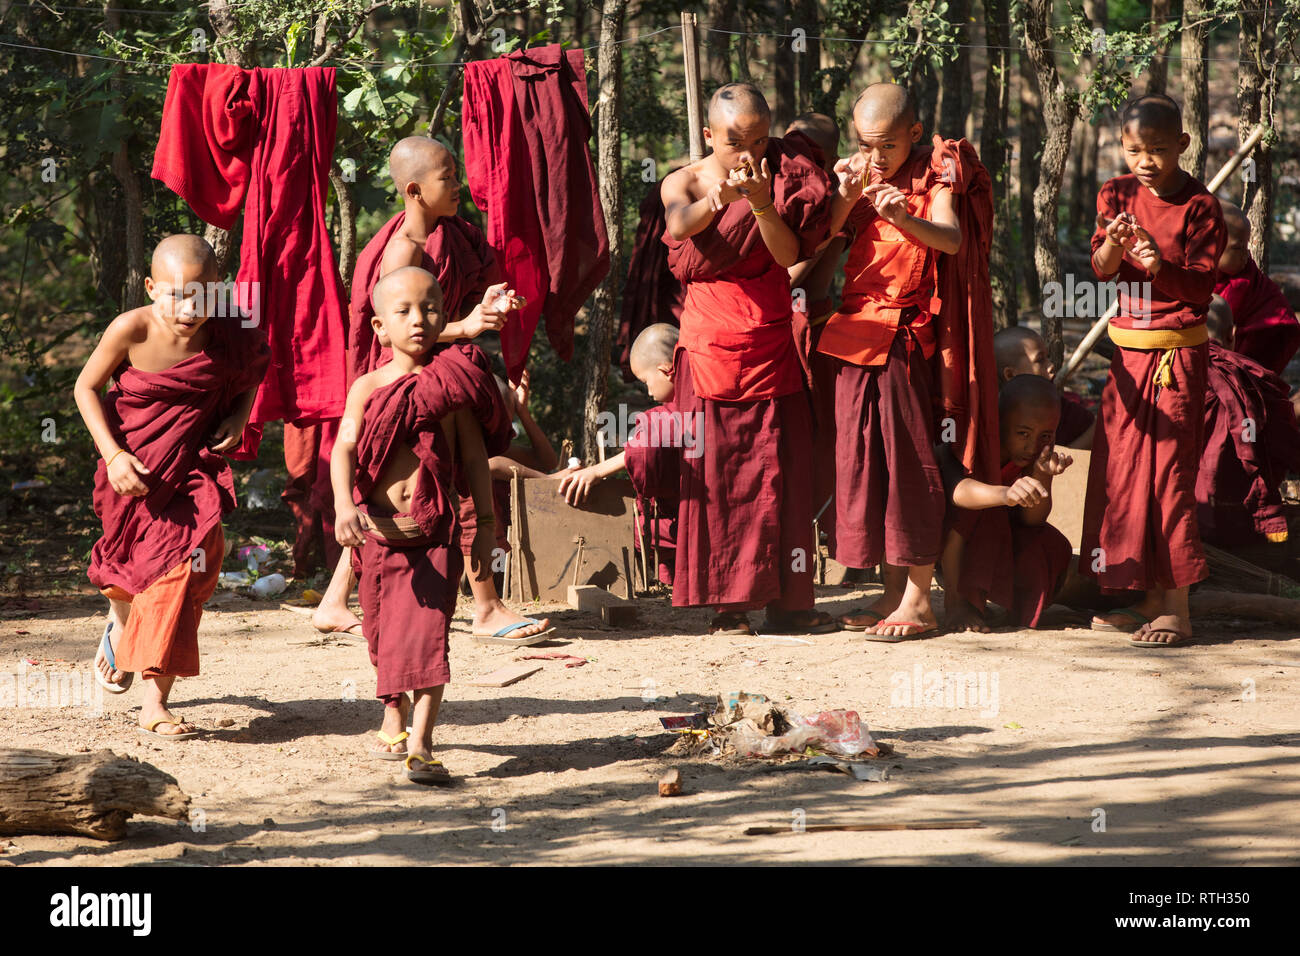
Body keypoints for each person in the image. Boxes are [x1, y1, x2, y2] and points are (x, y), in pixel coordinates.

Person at [313, 136, 553, 648]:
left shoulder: (449, 235)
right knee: (456, 486)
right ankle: (486, 607)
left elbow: (435, 311)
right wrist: (466, 328)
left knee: (443, 484)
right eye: (449, 177)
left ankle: (334, 602)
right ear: (417, 190)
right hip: (409, 385)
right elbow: (404, 329)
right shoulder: (403, 249)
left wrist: (481, 306)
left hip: (436, 377)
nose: (459, 185)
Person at [658, 82, 837, 635]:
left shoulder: (782, 173)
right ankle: (728, 606)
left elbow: (787, 255)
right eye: (737, 141)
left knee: (780, 471)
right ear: (710, 134)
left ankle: (790, 604)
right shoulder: (682, 180)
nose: (752, 152)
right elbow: (675, 228)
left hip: (769, 337)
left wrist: (760, 202)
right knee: (720, 476)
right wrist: (723, 199)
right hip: (710, 345)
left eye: (761, 139)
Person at [76, 234, 269, 737]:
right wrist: (114, 455)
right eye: (177, 294)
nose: (190, 307)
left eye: (204, 294)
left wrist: (241, 416)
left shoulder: (230, 328)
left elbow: (251, 371)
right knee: (128, 570)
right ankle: (122, 619)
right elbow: (85, 387)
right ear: (149, 286)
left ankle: (154, 700)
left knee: (182, 574)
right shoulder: (131, 328)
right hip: (132, 472)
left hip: (191, 473)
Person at [332, 266, 511, 783]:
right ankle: (393, 710)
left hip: (433, 537)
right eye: (404, 311)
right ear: (380, 327)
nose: (420, 319)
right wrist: (344, 506)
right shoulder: (367, 386)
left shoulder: (450, 384)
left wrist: (487, 526)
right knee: (380, 636)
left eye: (431, 308)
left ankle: (423, 743)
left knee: (430, 639)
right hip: (379, 537)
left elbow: (475, 462)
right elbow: (344, 446)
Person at [816, 82, 962, 640]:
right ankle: (887, 592)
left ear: (915, 134)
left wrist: (903, 217)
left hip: (903, 336)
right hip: (855, 336)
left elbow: (948, 241)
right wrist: (849, 196)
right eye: (865, 144)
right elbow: (828, 233)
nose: (875, 157)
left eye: (886, 146)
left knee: (908, 465)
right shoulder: (861, 170)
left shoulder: (935, 172)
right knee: (865, 465)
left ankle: (921, 599)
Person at [1082, 93, 1226, 648]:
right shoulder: (1116, 193)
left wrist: (1157, 266)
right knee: (1123, 474)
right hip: (1126, 356)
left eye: (1159, 150)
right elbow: (1098, 269)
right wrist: (1116, 249)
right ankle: (1143, 597)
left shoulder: (1200, 207)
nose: (1147, 161)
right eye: (1136, 150)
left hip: (1174, 360)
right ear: (1122, 147)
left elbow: (1200, 289)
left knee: (1169, 474)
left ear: (1183, 145)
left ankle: (1178, 609)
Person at [938, 375, 1075, 632]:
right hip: (942, 544)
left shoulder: (1035, 452)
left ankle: (1020, 610)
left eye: (1045, 435)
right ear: (999, 422)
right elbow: (958, 494)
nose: (1033, 445)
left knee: (1046, 542)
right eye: (1023, 433)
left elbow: (1033, 520)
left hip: (996, 538)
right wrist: (1005, 495)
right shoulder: (975, 443)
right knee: (974, 515)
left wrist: (1042, 475)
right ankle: (959, 602)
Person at [559, 323, 682, 586]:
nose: (648, 392)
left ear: (665, 371)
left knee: (634, 528)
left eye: (646, 382)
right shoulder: (705, 393)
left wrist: (597, 470)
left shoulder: (682, 408)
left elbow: (645, 449)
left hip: (692, 520)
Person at [1198, 296, 1300, 546]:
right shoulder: (1249, 379)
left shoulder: (1165, 374)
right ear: (1232, 335)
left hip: (1174, 516)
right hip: (1238, 520)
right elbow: (1283, 442)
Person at [1213, 199, 1300, 375]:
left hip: (1260, 343)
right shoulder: (1195, 272)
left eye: (1246, 246)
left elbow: (1222, 316)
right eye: (1238, 248)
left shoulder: (1243, 280)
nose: (1247, 254)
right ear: (1213, 246)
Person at [993, 325, 1095, 448]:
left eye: (1047, 357)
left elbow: (1095, 430)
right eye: (1040, 360)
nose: (1051, 365)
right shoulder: (995, 419)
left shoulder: (1060, 408)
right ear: (1010, 374)